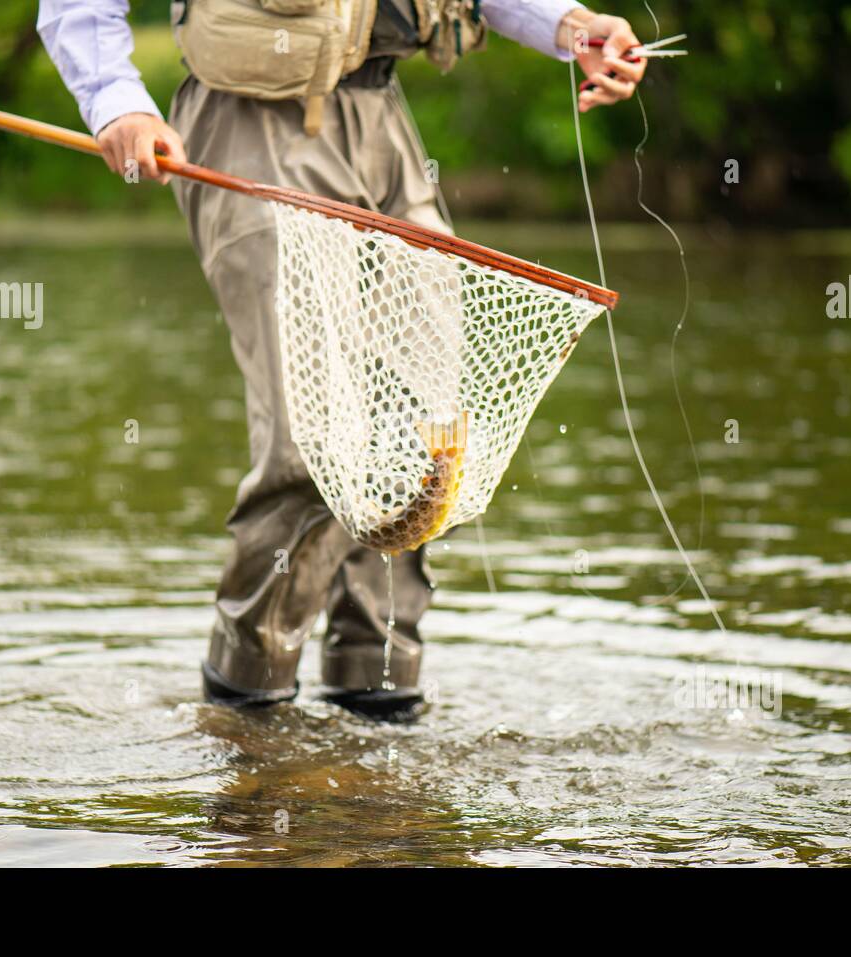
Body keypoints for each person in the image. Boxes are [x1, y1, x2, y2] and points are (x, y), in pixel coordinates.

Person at [37, 0, 646, 719]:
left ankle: (380, 705)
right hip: (248, 121)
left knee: (427, 446)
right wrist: (116, 104)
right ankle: (247, 712)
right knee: (309, 446)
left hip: (382, 118)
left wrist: (572, 26)